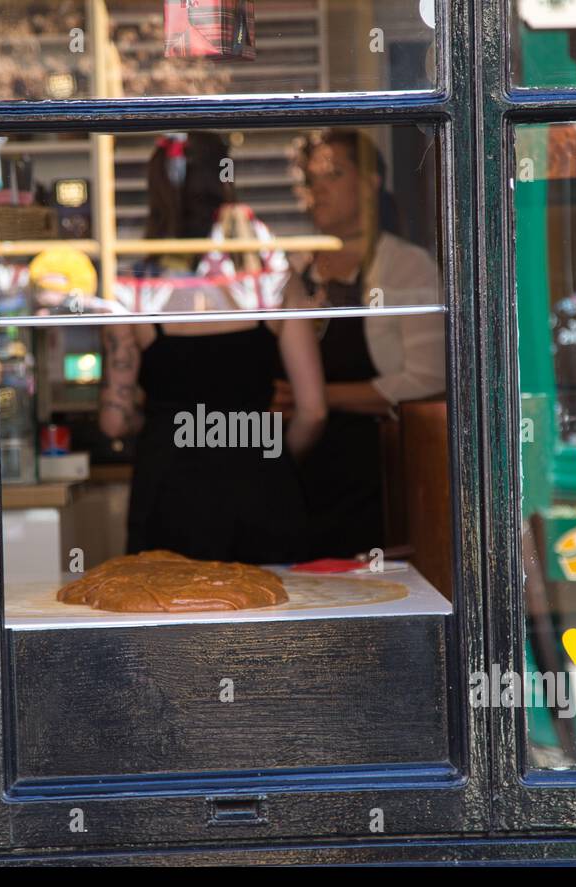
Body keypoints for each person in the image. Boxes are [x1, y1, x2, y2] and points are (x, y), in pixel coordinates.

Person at [99, 131, 327, 565]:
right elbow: (314, 411)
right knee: (268, 622)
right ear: (226, 185)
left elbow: (114, 421)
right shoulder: (272, 282)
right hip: (260, 487)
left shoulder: (133, 290)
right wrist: (267, 456)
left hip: (169, 492)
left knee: (169, 622)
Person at [275, 128, 446, 560]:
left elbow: (428, 379)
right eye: (311, 179)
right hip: (297, 477)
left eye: (332, 174)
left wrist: (314, 399)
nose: (318, 189)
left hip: (374, 477)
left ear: (370, 183)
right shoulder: (293, 270)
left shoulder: (407, 267)